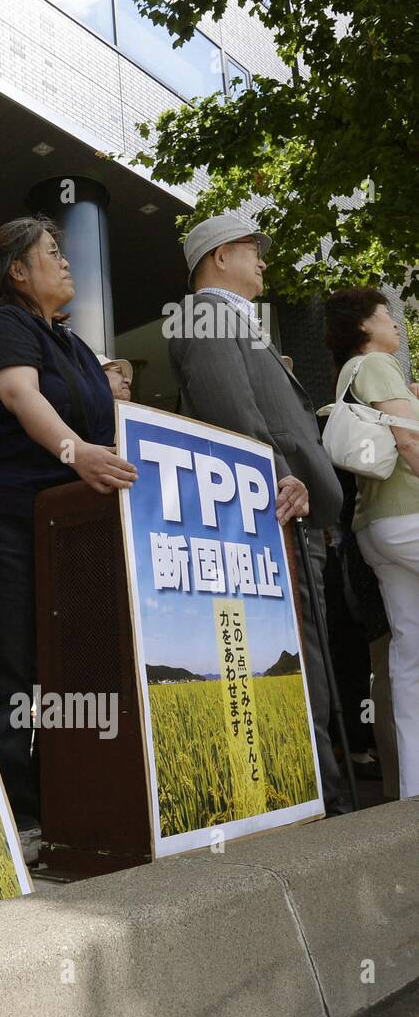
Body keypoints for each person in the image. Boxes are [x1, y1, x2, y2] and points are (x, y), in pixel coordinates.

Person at [0, 217, 136, 860]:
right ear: (18, 272)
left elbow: (110, 427)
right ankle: (11, 823)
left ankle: (65, 810)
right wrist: (74, 450)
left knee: (61, 670)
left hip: (62, 528)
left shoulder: (74, 344)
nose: (66, 262)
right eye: (52, 253)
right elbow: (20, 394)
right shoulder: (4, 324)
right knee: (9, 668)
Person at [167, 213, 348, 812]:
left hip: (293, 510)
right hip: (274, 509)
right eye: (253, 249)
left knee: (309, 650)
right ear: (218, 256)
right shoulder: (204, 315)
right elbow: (230, 411)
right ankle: (317, 795)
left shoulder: (238, 321)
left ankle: (323, 788)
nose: (263, 260)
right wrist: (276, 477)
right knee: (298, 651)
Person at [324, 287, 419, 798]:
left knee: (410, 659)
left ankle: (412, 792)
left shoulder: (348, 375)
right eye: (387, 315)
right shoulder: (377, 364)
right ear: (365, 327)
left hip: (375, 529)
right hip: (411, 515)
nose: (396, 324)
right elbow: (409, 440)